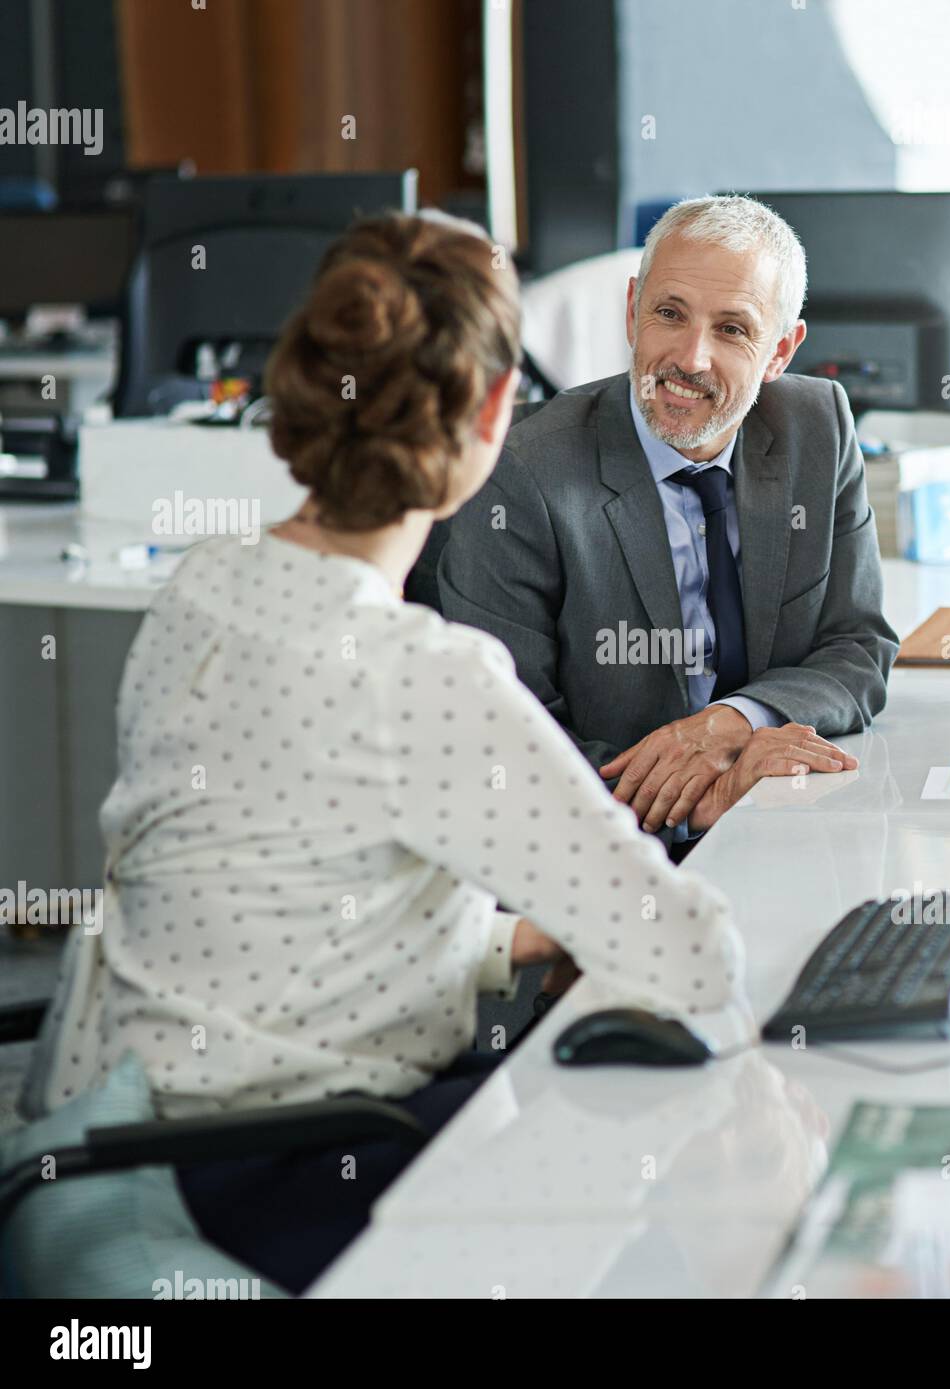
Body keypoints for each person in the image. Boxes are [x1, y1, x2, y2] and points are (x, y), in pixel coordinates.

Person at [20, 211, 805, 1294]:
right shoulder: (425, 675)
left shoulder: (201, 588)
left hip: (110, 1131)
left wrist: (518, 940)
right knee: (657, 1164)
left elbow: (273, 916)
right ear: (493, 414)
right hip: (267, 1169)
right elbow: (691, 957)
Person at [408, 195, 898, 847]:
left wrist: (733, 721)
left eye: (732, 329)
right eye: (670, 314)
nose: (691, 357)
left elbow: (858, 647)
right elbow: (508, 749)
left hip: (779, 824)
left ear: (780, 350)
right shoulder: (520, 471)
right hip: (587, 859)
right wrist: (701, 802)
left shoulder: (817, 424)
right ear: (632, 311)